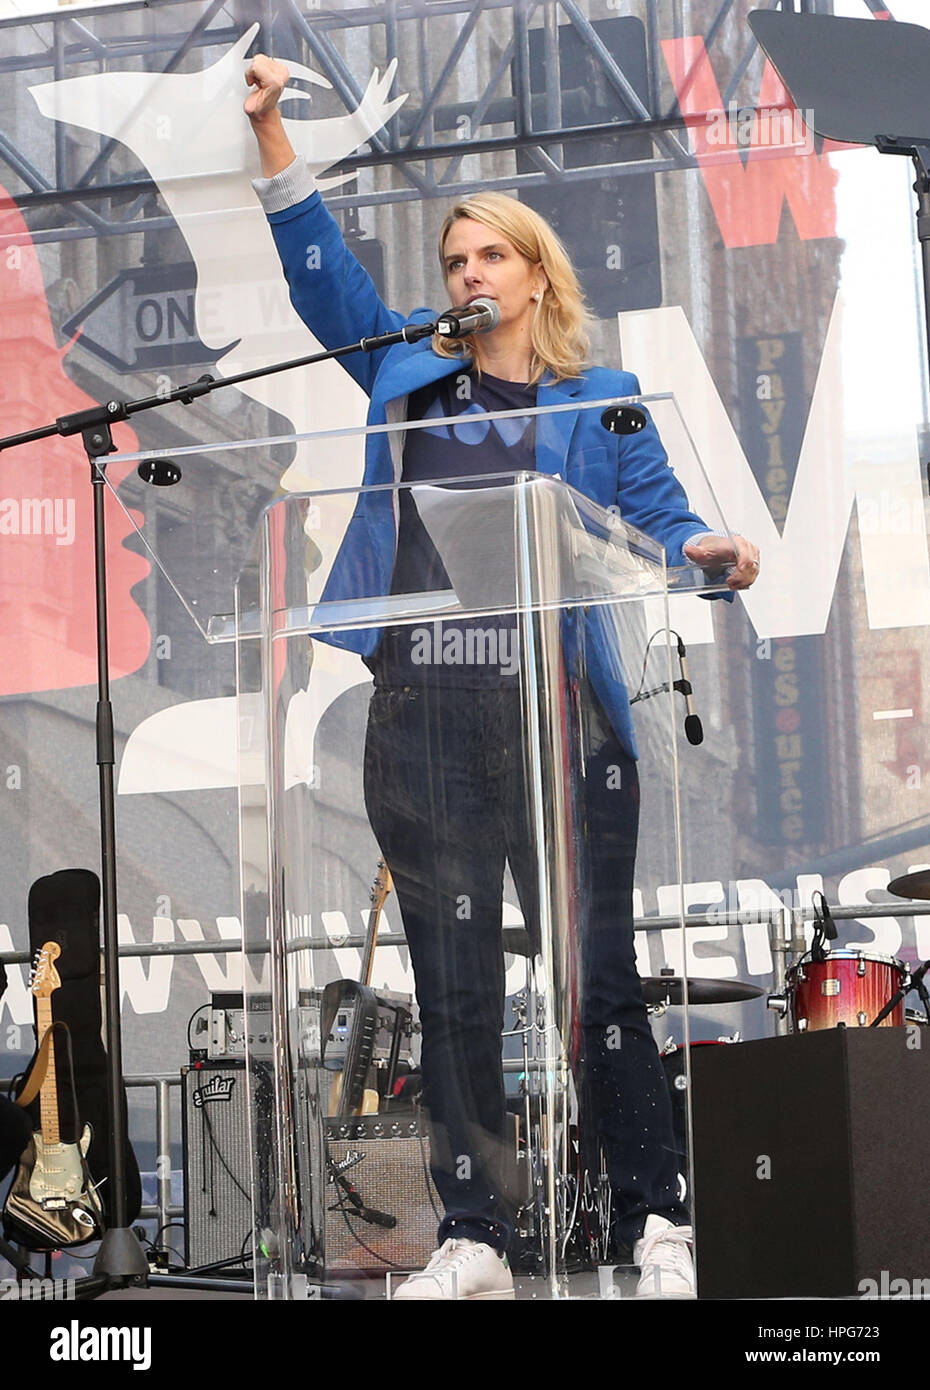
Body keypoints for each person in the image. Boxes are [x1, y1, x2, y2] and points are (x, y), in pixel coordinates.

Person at [244, 53, 760, 1300]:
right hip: (426, 717)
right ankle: (481, 1233)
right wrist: (269, 135)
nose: (468, 277)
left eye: (490, 259)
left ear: (538, 277)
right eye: (454, 263)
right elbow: (324, 282)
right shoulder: (407, 378)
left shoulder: (604, 397)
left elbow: (663, 520)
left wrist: (710, 552)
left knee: (598, 984)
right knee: (454, 987)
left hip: (564, 720)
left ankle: (659, 1219)